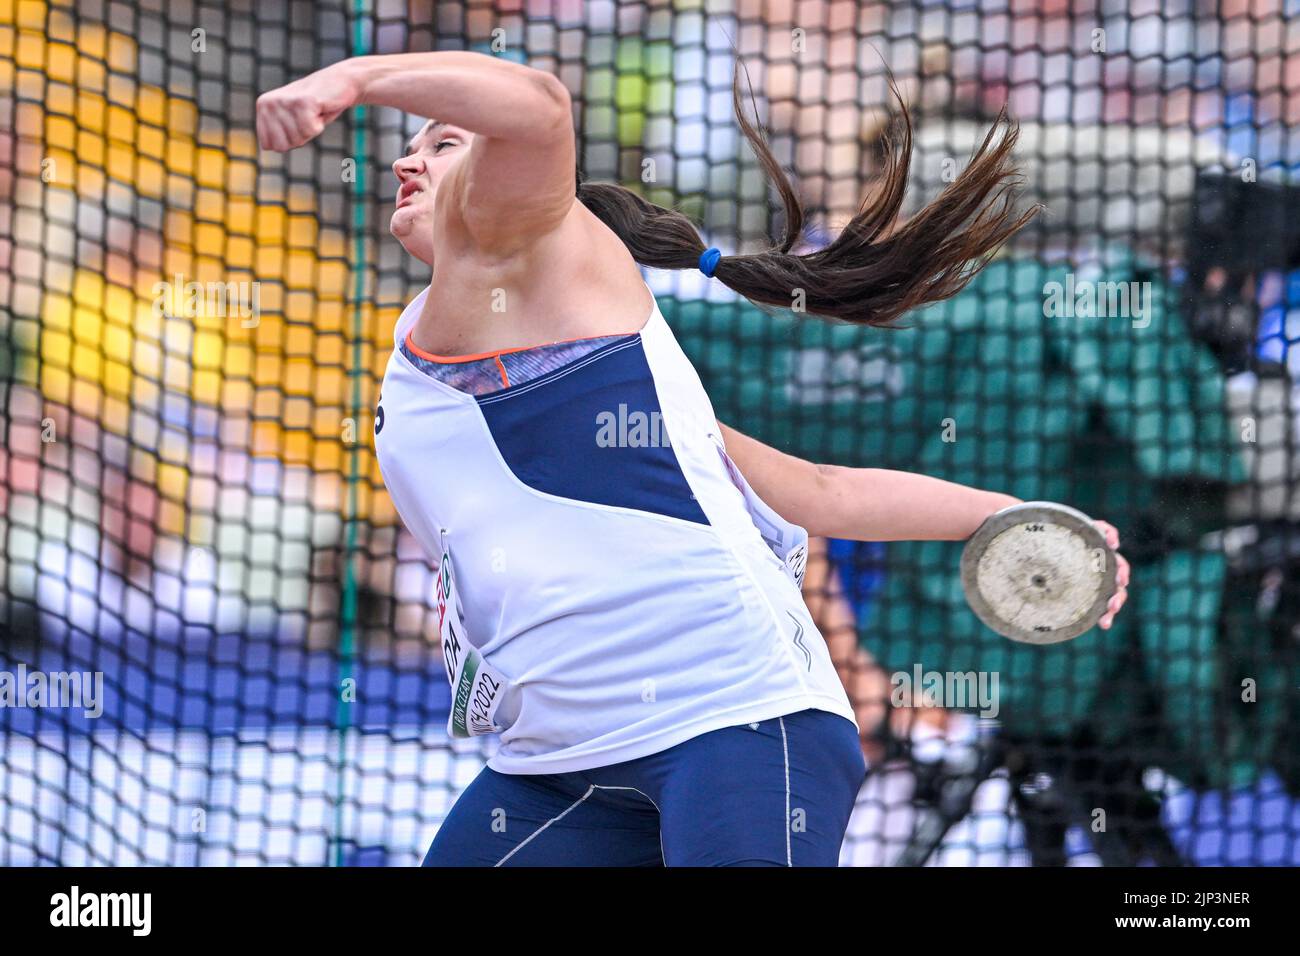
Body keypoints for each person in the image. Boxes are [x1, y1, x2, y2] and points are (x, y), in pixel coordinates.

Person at [255, 50, 1129, 866]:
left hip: (736, 722)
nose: (407, 163)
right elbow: (822, 490)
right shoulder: (481, 340)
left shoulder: (513, 250)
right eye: (409, 148)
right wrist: (1010, 518)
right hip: (558, 758)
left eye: (441, 144)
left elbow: (540, 104)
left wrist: (353, 81)